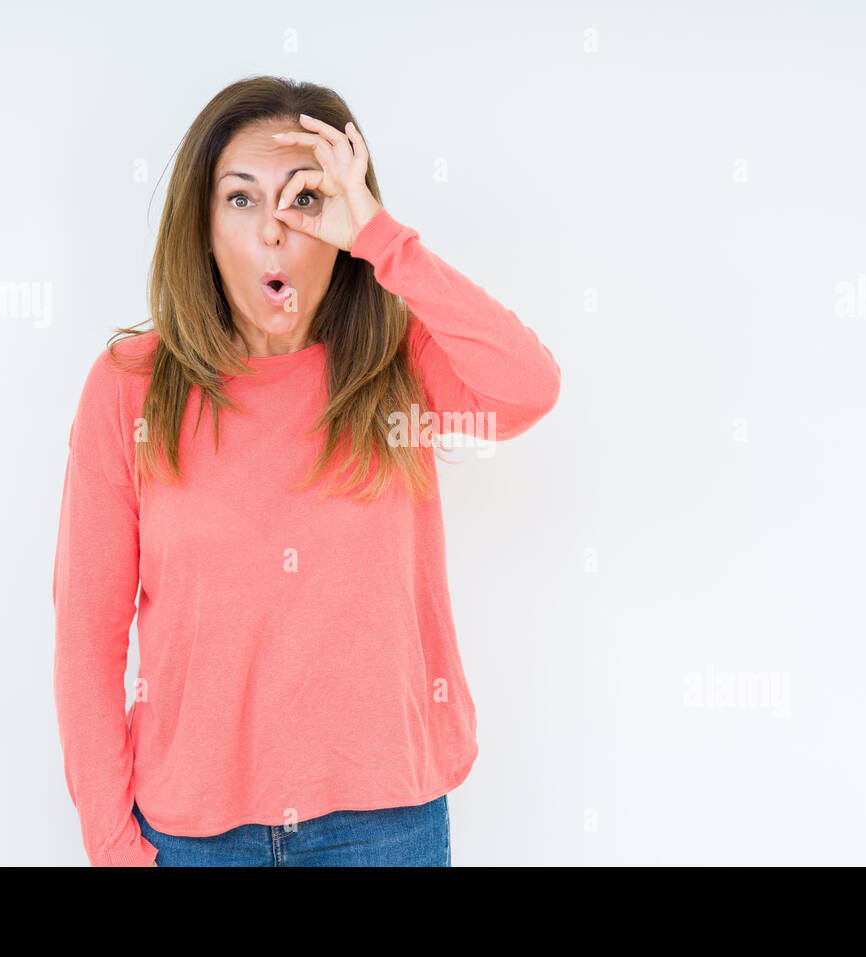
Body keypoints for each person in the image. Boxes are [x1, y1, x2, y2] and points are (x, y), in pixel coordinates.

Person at [52, 75, 561, 867]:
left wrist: (382, 237)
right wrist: (113, 848)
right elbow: (86, 635)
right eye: (241, 200)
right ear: (204, 223)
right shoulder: (129, 386)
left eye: (306, 199)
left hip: (385, 823)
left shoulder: (401, 365)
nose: (274, 234)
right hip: (190, 834)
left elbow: (528, 388)